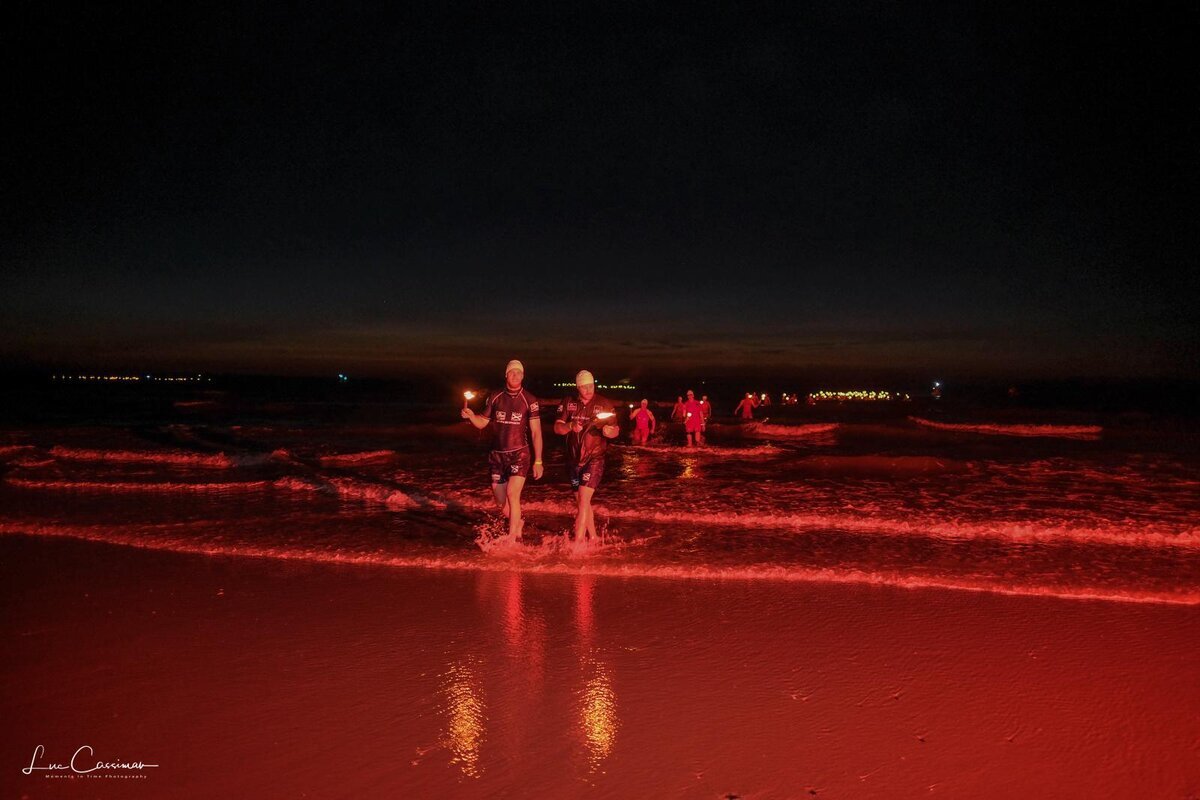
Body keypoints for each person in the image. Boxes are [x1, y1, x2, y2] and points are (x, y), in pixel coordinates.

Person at [461, 359, 544, 539]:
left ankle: (513, 539)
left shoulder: (529, 400)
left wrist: (538, 460)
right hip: (496, 456)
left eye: (519, 373)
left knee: (512, 494)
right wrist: (471, 416)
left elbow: (536, 432)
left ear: (523, 376)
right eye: (512, 372)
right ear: (506, 375)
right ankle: (517, 522)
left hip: (519, 454)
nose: (515, 375)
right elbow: (482, 423)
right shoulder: (495, 396)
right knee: (501, 502)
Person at [554, 370, 619, 541]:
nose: (589, 390)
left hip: (594, 458)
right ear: (578, 387)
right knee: (583, 503)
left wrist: (609, 431)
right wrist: (569, 426)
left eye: (591, 385)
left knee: (583, 500)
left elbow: (615, 429)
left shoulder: (604, 403)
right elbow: (557, 428)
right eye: (584, 387)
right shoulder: (568, 403)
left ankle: (578, 543)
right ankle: (595, 537)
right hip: (573, 459)